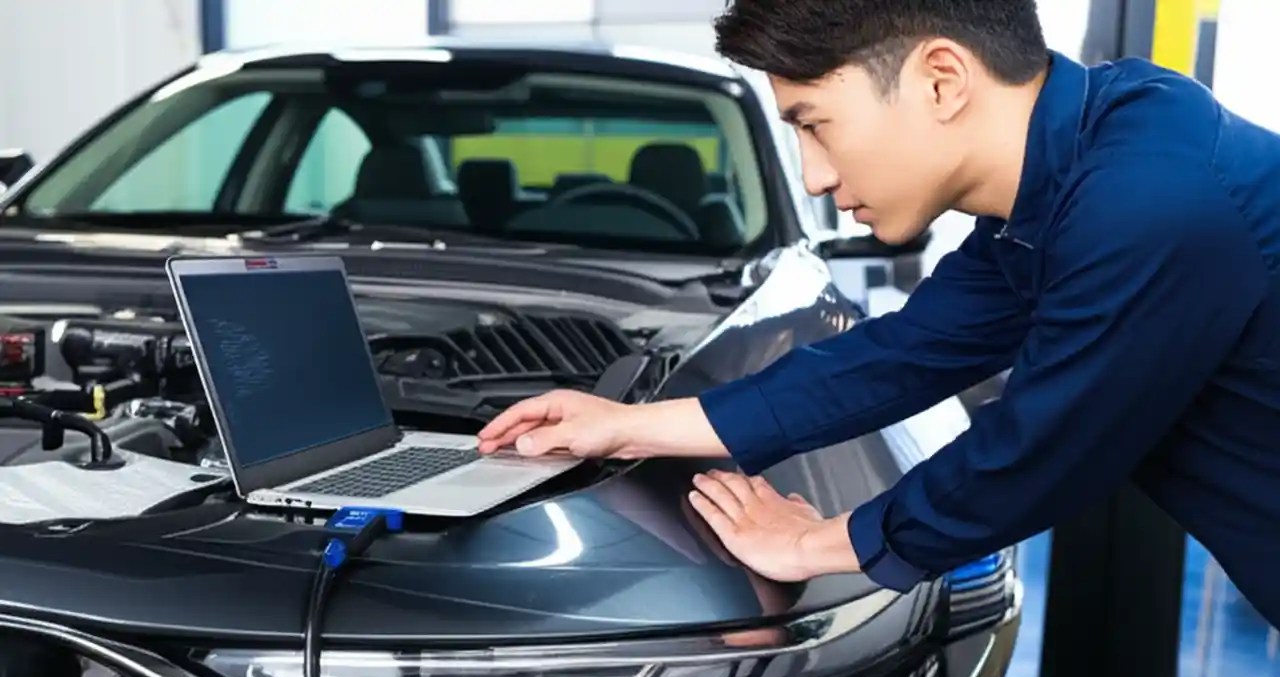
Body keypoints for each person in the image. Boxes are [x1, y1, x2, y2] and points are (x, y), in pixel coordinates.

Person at [477, 0, 1280, 627]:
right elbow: (903, 354)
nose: (816, 177)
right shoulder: (1082, 167)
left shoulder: (1151, 198)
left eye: (816, 125)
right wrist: (626, 426)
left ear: (941, 79)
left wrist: (816, 544)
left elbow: (1041, 449)